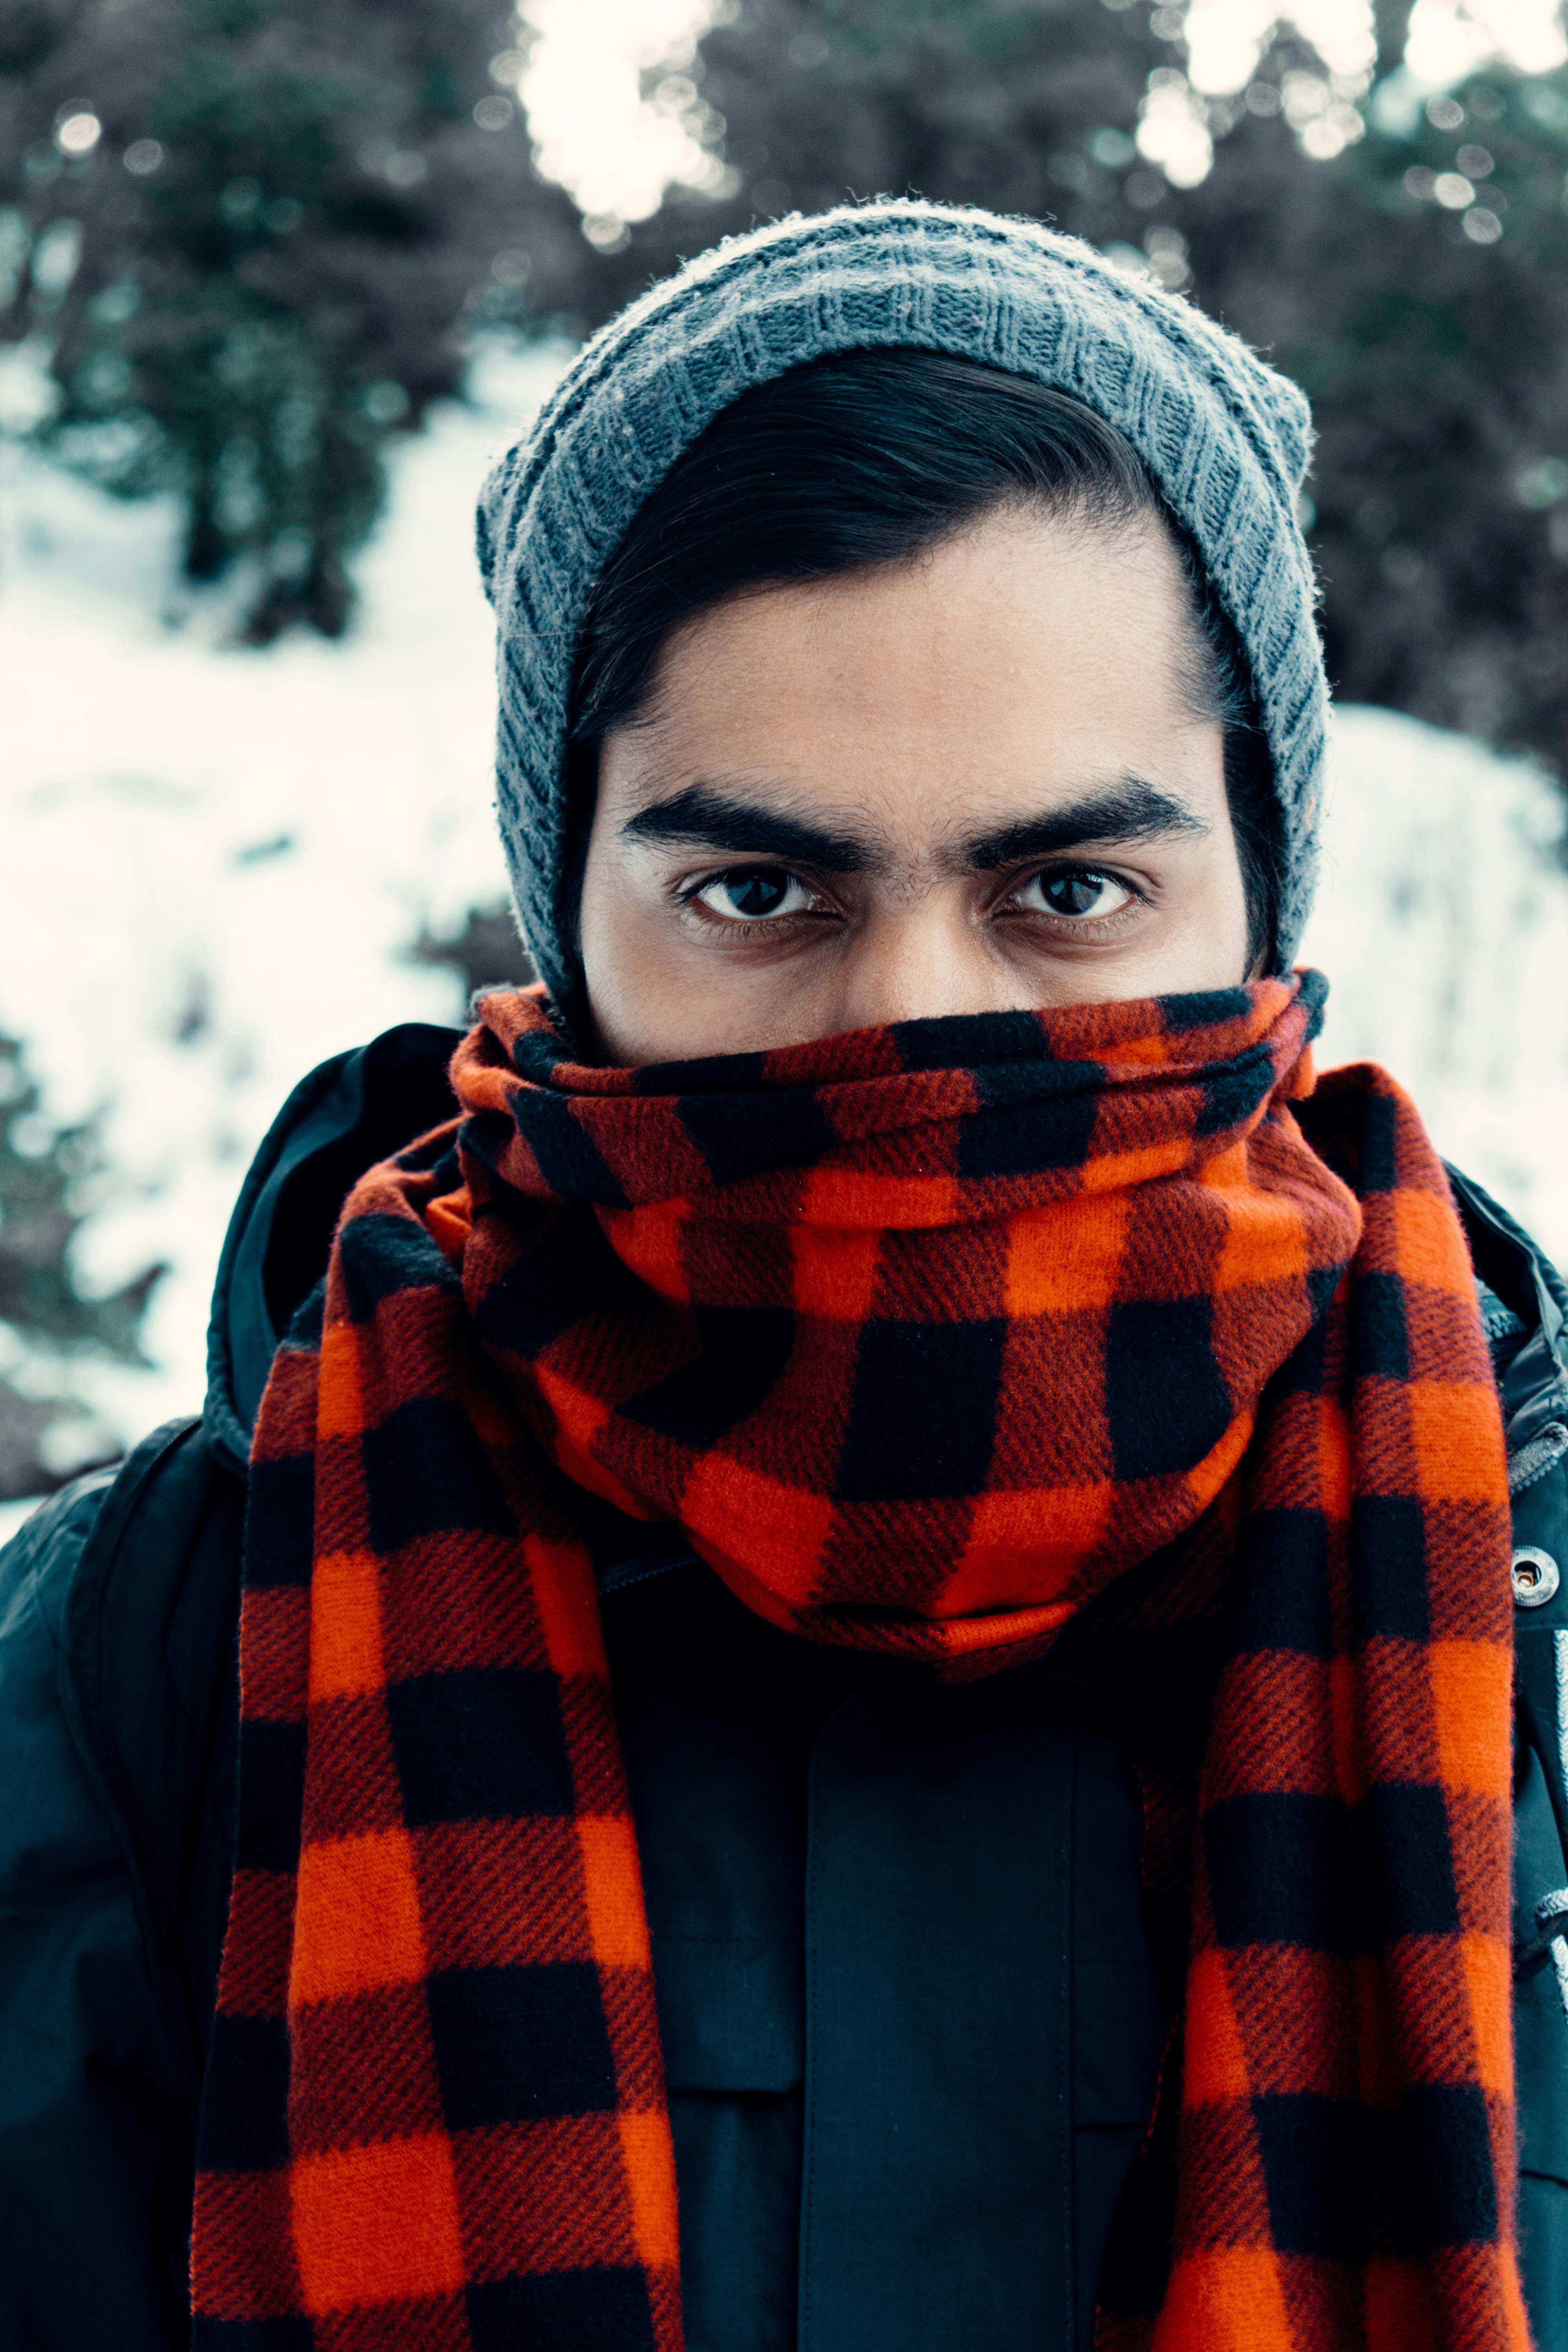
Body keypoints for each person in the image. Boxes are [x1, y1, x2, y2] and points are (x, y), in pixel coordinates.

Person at [1, 200, 1565, 2352]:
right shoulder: (151, 1656)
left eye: (1070, 886)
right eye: (757, 886)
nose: (909, 1036)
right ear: (568, 909)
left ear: (1260, 894)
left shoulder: (1534, 1628)